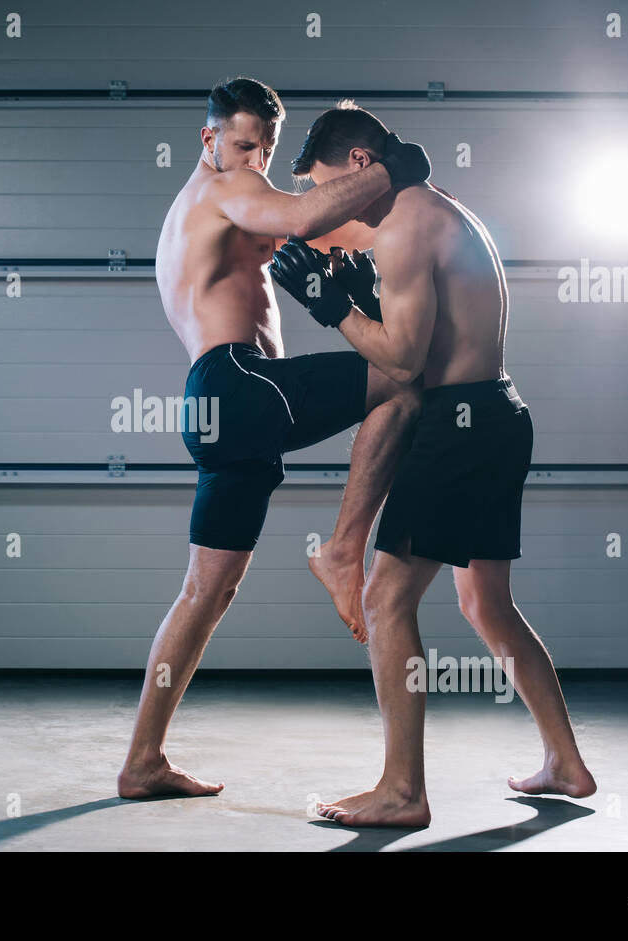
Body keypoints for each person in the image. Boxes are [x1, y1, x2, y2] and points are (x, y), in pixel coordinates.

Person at [271, 101, 597, 826]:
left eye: (330, 187)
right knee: (486, 602)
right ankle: (567, 764)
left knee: (387, 599)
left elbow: (404, 359)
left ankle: (402, 792)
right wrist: (359, 295)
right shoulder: (438, 207)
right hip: (499, 415)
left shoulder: (407, 221)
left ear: (360, 165)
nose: (330, 208)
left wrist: (331, 308)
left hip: (461, 425)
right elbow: (428, 330)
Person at [117, 78, 431, 798]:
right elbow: (302, 214)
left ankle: (142, 760)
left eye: (265, 147)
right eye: (242, 143)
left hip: (218, 404)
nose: (255, 158)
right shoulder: (222, 190)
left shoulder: (218, 206)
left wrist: (361, 254)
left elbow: (321, 229)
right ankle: (346, 548)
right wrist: (393, 170)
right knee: (402, 378)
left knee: (207, 589)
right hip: (238, 382)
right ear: (209, 139)